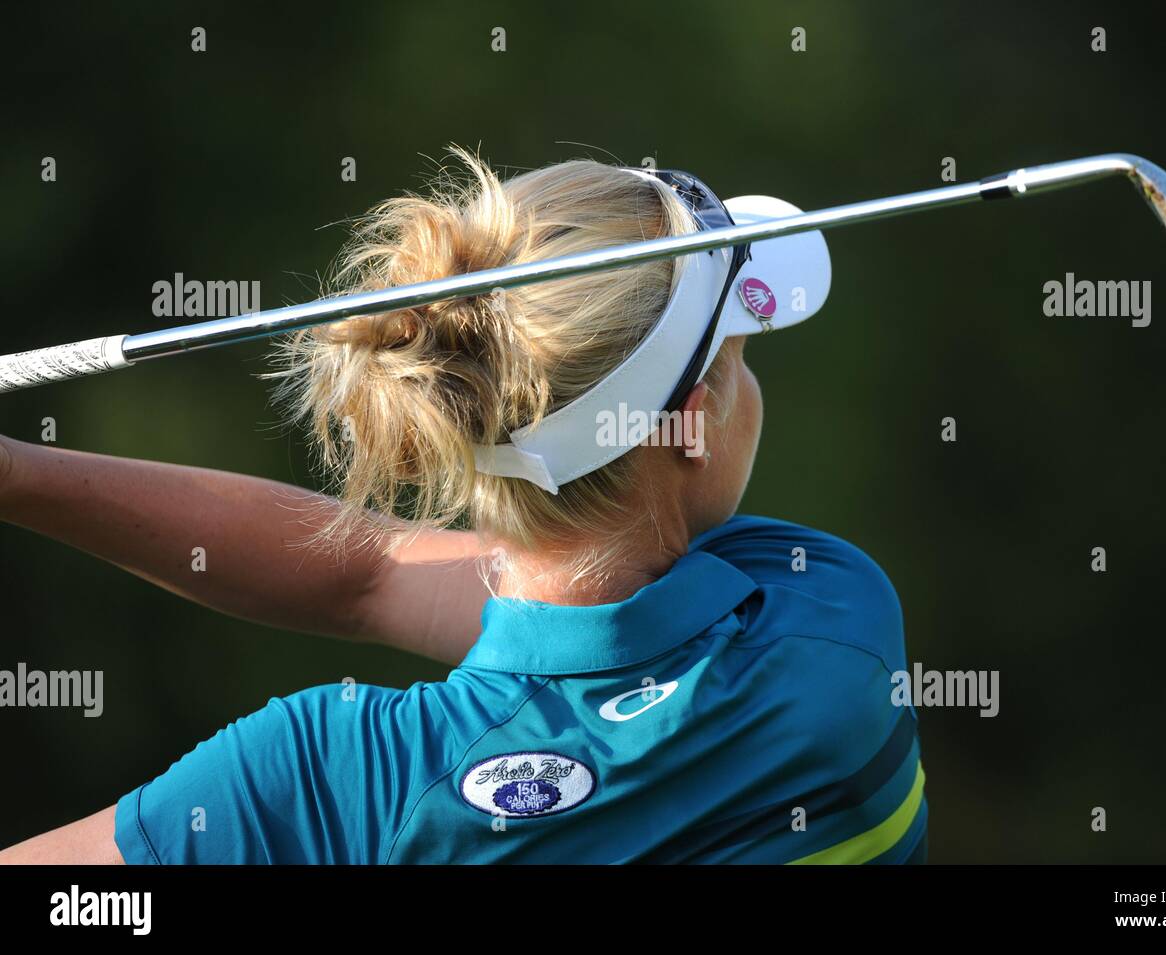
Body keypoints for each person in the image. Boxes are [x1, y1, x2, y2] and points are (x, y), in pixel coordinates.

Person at [0, 149, 926, 864]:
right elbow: (374, 574)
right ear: (690, 426)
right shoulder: (831, 622)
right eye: (740, 353)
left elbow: (374, 575)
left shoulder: (332, 783)